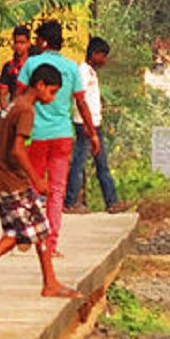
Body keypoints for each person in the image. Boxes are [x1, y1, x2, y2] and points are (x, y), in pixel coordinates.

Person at [0, 63, 82, 299]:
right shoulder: (26, 111)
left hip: (12, 177)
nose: (53, 97)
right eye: (52, 91)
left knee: (42, 228)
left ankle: (50, 283)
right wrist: (37, 178)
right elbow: (18, 150)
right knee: (21, 232)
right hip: (9, 179)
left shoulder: (16, 104)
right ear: (40, 86)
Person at [16, 20, 99, 259]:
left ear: (42, 41)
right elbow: (81, 103)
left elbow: (18, 94)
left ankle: (29, 232)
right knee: (57, 191)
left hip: (35, 134)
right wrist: (92, 133)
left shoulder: (31, 63)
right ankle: (50, 245)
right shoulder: (72, 68)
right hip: (63, 135)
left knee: (32, 186)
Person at [64, 37, 126, 213]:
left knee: (101, 164)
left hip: (94, 123)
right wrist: (88, 126)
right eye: (103, 56)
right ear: (94, 54)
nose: (104, 60)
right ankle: (70, 201)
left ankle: (111, 201)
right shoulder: (83, 71)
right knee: (79, 163)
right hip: (86, 124)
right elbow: (80, 98)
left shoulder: (91, 72)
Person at [0, 26, 32, 116]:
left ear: (29, 44)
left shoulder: (34, 66)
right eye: (16, 43)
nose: (19, 46)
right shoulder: (9, 67)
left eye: (22, 43)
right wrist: (6, 113)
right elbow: (2, 94)